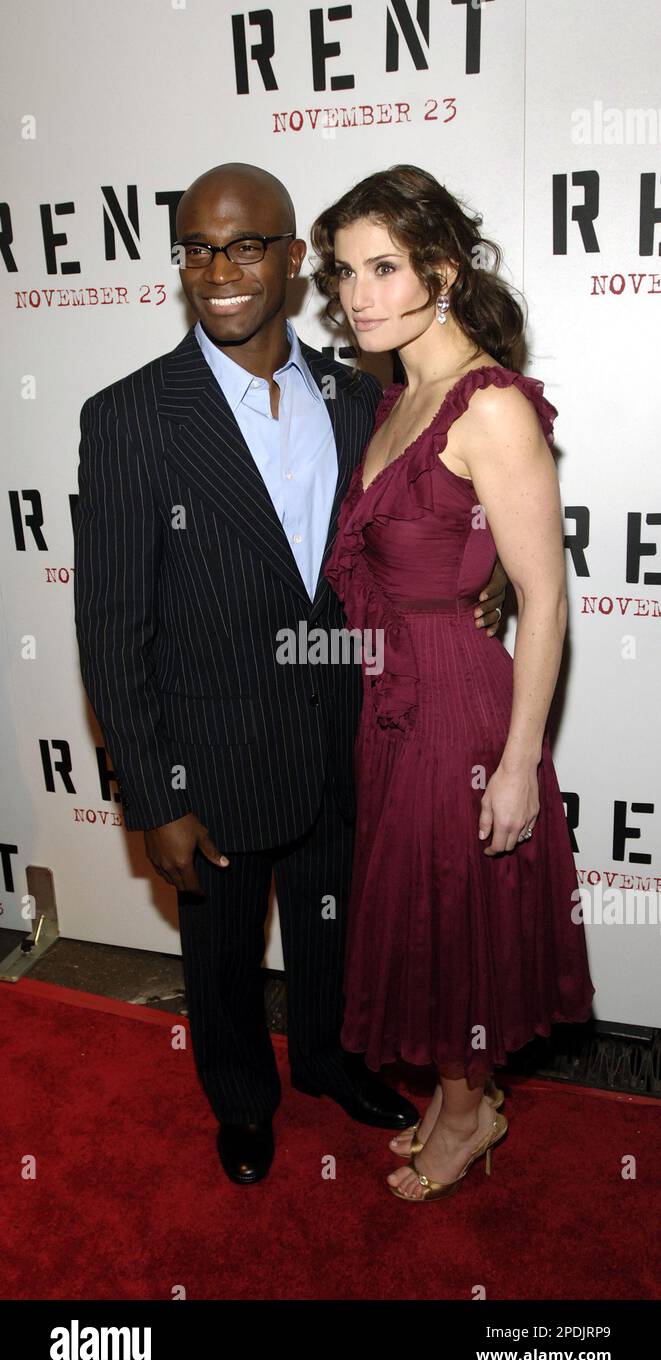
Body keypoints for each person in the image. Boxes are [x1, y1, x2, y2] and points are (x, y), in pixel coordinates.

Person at [72, 162, 508, 1186]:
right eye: (196, 248)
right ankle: (241, 1099)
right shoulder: (131, 416)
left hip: (351, 732)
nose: (218, 269)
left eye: (245, 245)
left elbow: (421, 540)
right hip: (213, 756)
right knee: (221, 958)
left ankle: (328, 1059)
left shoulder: (362, 397)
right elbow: (108, 625)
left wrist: (481, 591)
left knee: (337, 926)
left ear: (294, 260)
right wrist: (155, 790)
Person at [311, 163, 596, 1202]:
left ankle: (469, 1115)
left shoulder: (490, 408)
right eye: (343, 273)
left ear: (440, 269)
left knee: (450, 914)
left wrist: (518, 763)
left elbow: (544, 598)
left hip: (459, 716)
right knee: (424, 912)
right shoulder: (401, 393)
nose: (357, 296)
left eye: (383, 269)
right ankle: (452, 1092)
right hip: (394, 709)